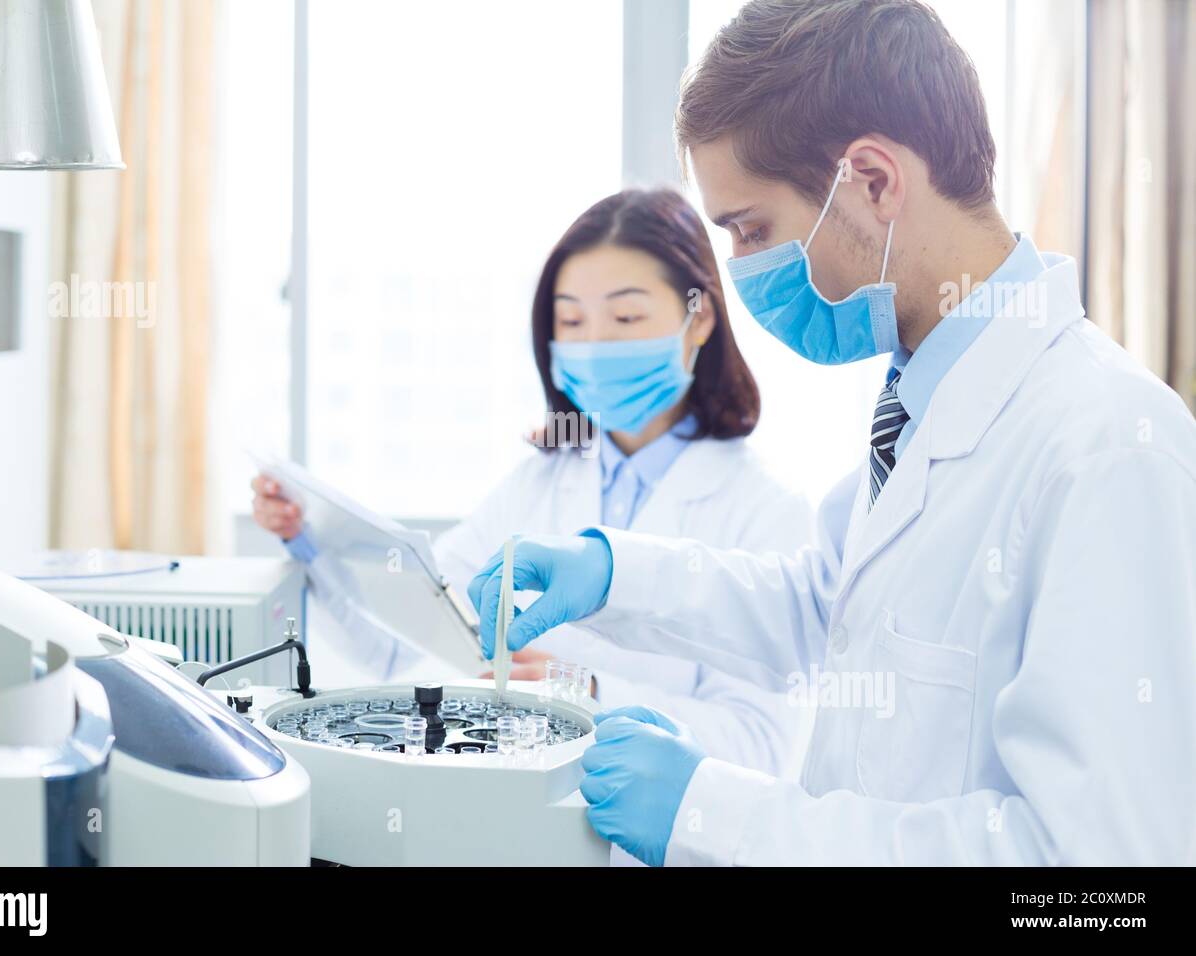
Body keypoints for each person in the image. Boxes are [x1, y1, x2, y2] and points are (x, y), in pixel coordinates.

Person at [465, 0, 1196, 867]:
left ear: (875, 180)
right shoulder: (922, 397)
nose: (738, 274)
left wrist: (717, 814)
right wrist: (616, 573)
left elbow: (1101, 879)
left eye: (751, 230)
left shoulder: (1108, 444)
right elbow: (825, 609)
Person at [253, 188, 816, 779]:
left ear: (698, 315)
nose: (594, 344)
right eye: (571, 320)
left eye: (626, 317)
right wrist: (315, 542)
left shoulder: (768, 509)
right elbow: (410, 644)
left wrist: (589, 693)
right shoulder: (539, 481)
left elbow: (761, 746)